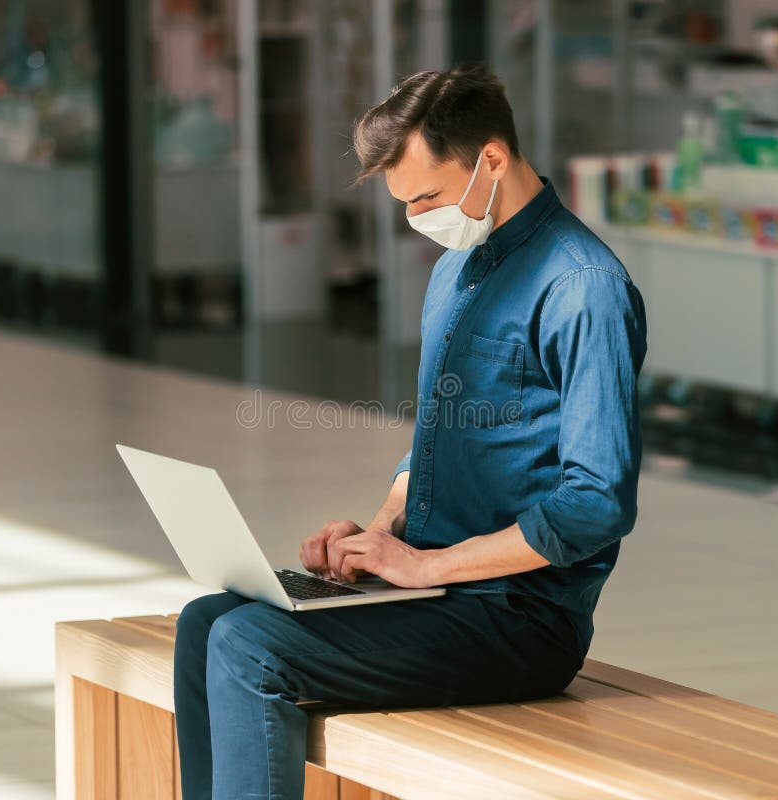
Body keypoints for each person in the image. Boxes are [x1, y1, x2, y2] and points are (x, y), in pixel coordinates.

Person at [173, 61, 648, 800]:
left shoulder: (584, 287)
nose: (419, 218)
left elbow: (595, 505)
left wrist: (427, 567)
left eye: (427, 196)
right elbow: (438, 438)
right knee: (205, 621)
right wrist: (376, 538)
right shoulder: (456, 269)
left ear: (491, 158)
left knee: (249, 646)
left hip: (518, 621)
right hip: (431, 596)